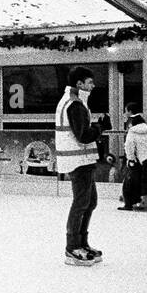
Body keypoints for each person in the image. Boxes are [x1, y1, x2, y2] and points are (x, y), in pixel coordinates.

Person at [55, 66, 104, 266]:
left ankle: (81, 243)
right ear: (79, 84)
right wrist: (101, 128)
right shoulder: (75, 104)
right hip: (78, 160)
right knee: (82, 202)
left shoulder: (76, 101)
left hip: (81, 159)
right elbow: (83, 135)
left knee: (89, 202)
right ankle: (72, 246)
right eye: (90, 82)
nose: (93, 85)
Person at [120, 103, 147, 212]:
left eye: (125, 111)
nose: (125, 114)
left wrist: (131, 159)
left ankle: (140, 202)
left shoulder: (131, 124)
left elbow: (129, 144)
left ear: (129, 111)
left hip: (144, 157)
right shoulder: (145, 126)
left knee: (141, 178)